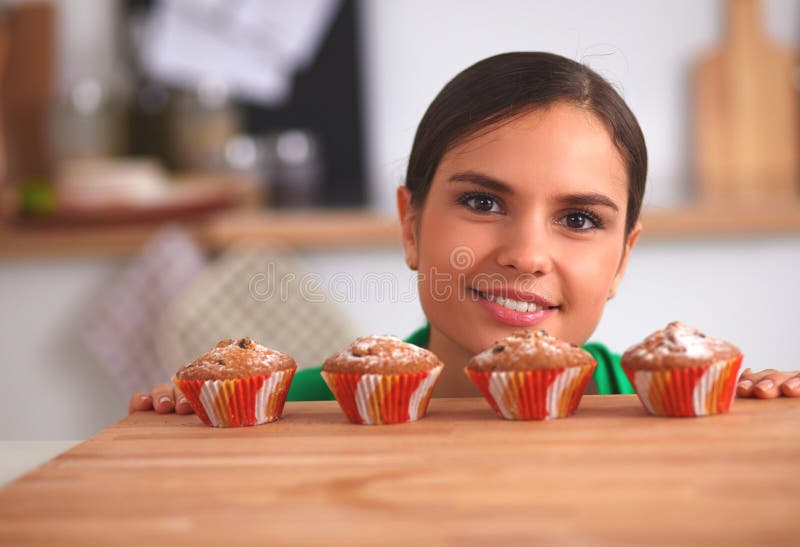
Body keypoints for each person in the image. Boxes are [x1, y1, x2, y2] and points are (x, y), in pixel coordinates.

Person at [129, 52, 800, 415]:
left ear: (624, 258)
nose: (527, 254)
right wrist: (191, 423)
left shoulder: (665, 405)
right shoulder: (296, 407)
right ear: (412, 224)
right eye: (482, 201)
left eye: (579, 219)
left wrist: (761, 413)